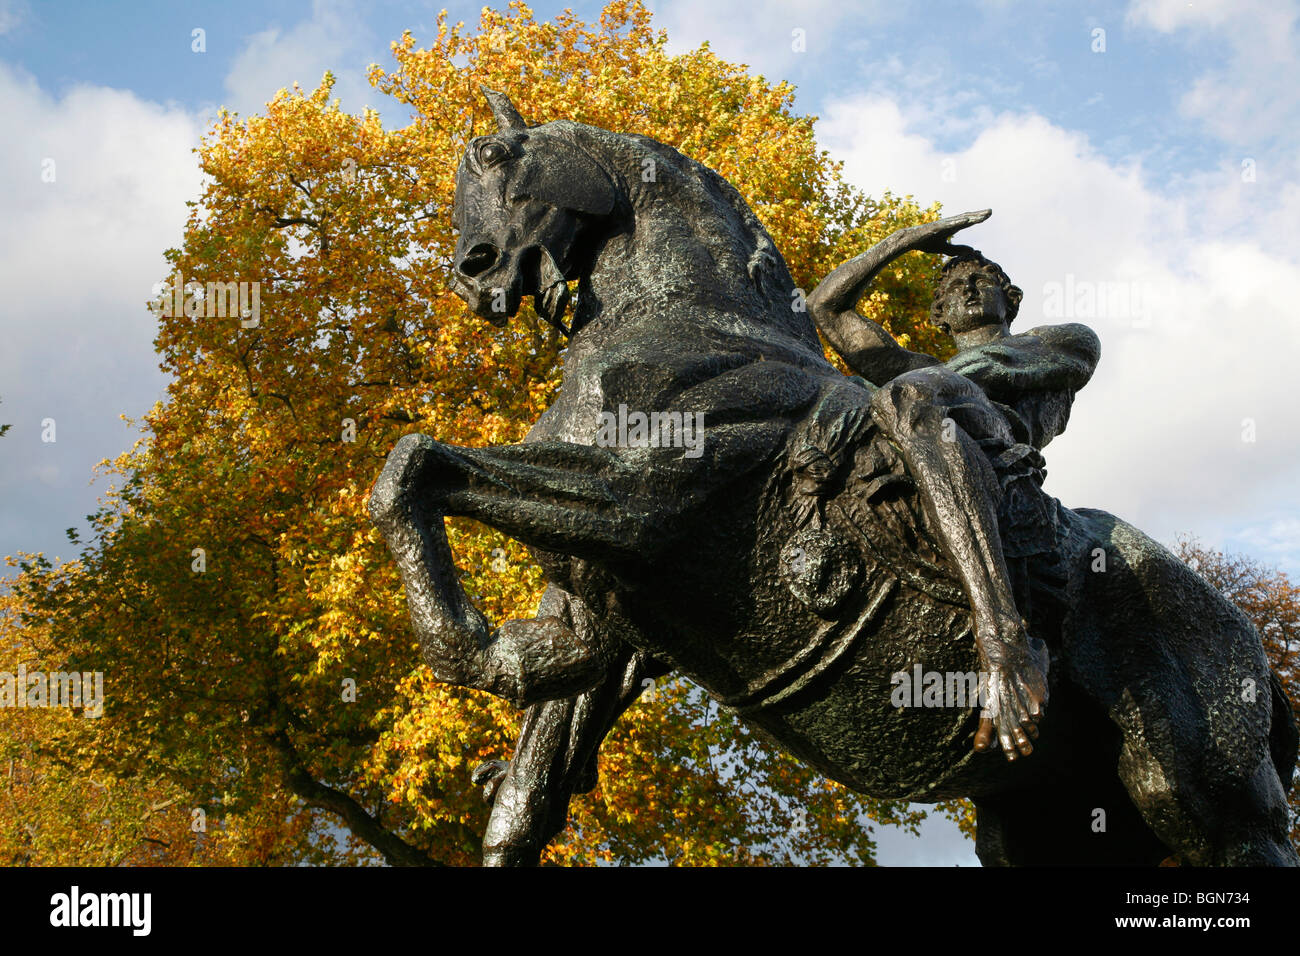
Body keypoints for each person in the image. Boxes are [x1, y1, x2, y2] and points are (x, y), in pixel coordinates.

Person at [808, 210, 1100, 760]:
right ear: (939, 315)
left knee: (910, 393)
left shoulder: (1058, 341)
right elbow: (825, 305)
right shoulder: (923, 374)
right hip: (932, 432)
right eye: (952, 287)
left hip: (1000, 451)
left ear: (1009, 299)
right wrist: (902, 241)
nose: (967, 289)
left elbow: (997, 374)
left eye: (980, 281)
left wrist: (930, 379)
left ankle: (1006, 640)